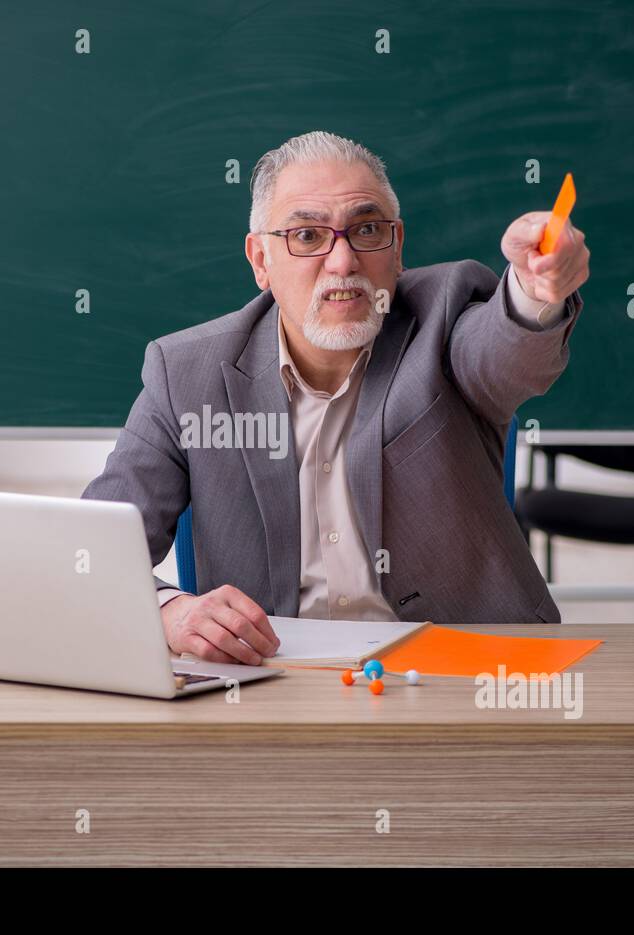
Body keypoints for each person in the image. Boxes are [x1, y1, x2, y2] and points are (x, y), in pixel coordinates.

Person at [83, 131, 590, 665]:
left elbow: (504, 354)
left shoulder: (445, 314)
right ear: (261, 260)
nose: (343, 262)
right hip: (270, 678)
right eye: (307, 235)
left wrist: (535, 291)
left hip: (469, 667)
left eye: (366, 230)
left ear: (397, 247)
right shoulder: (186, 374)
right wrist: (170, 611)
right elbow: (95, 552)